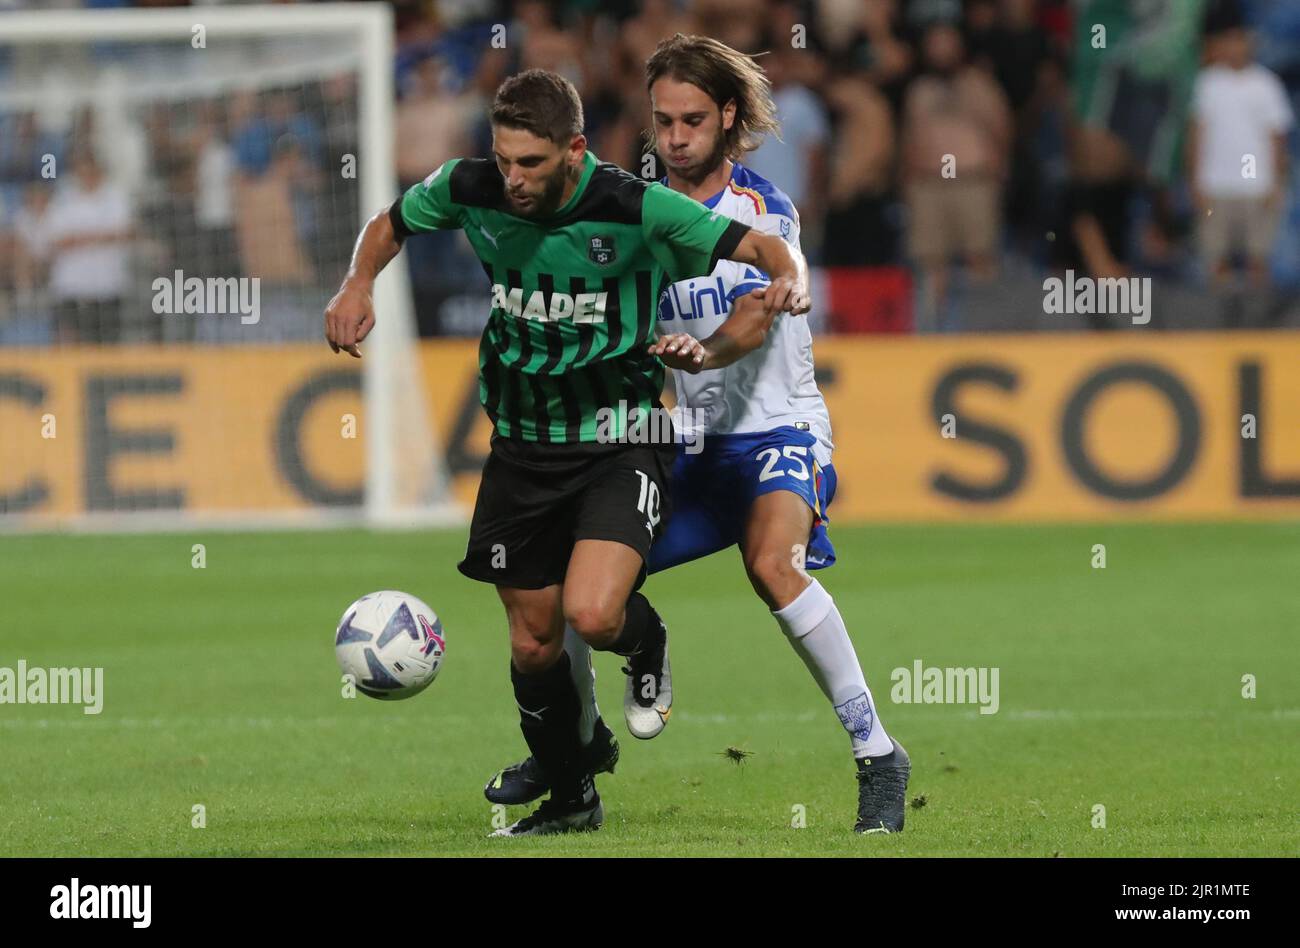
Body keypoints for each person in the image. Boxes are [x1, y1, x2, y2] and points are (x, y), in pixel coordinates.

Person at [324, 68, 810, 837]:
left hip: (623, 438)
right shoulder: (468, 185)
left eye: (533, 164)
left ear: (574, 149)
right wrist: (356, 286)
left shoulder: (635, 206)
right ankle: (574, 791)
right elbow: (388, 225)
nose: (513, 180)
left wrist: (788, 280)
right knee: (532, 639)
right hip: (522, 447)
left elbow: (764, 248)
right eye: (505, 160)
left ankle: (646, 642)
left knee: (593, 610)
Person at [484, 36, 911, 834]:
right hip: (681, 437)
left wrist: (704, 349)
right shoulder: (633, 213)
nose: (674, 137)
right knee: (563, 589)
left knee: (772, 567)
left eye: (691, 120)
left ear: (728, 118)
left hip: (774, 429)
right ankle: (573, 755)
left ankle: (877, 754)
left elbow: (753, 316)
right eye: (661, 122)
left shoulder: (760, 210)